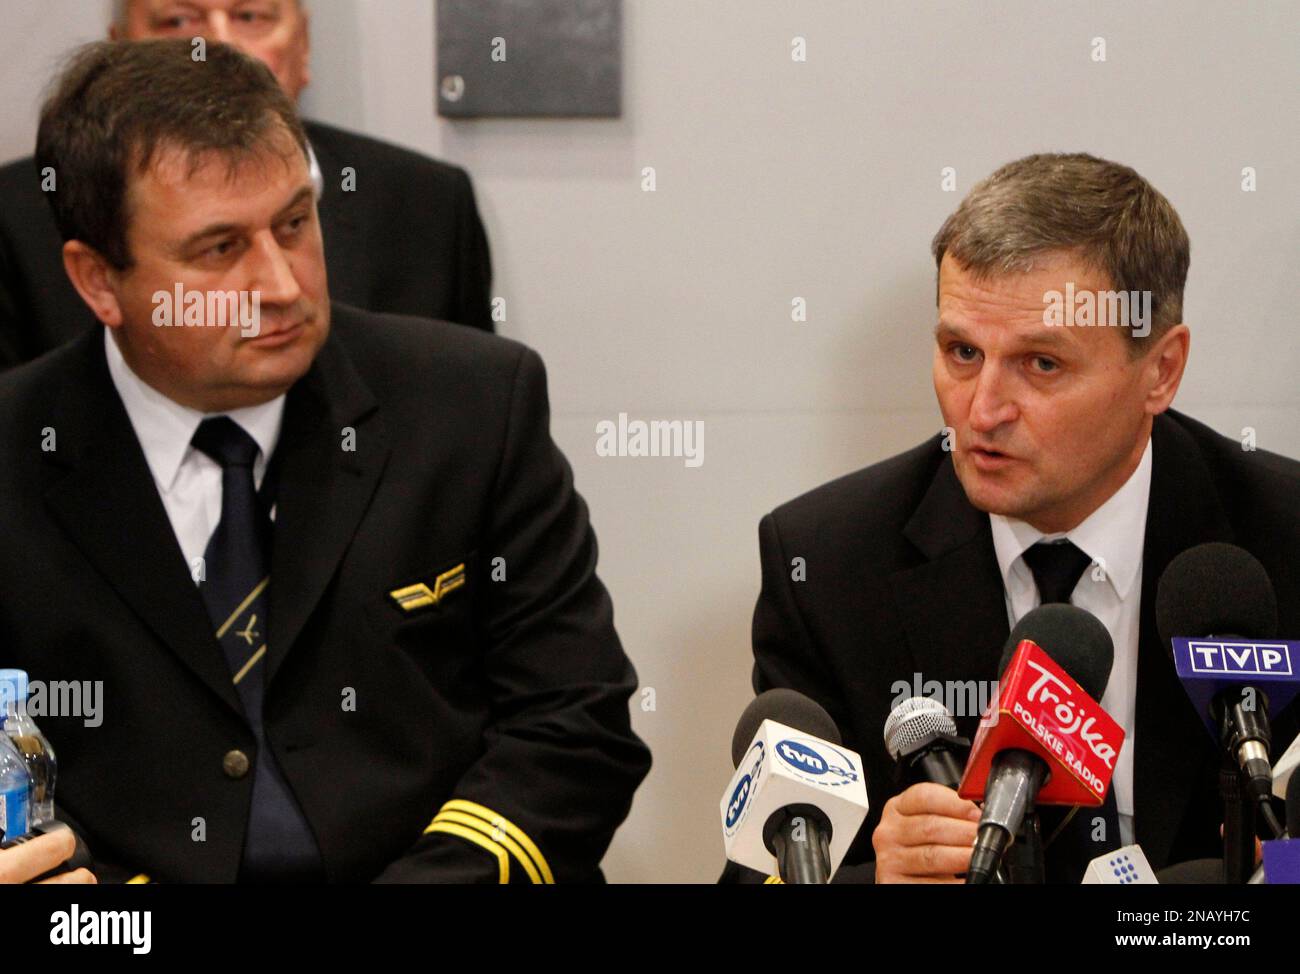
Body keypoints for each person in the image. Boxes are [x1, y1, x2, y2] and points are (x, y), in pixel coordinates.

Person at [0, 38, 648, 883]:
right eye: (219, 249)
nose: (282, 283)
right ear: (97, 281)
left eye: (295, 224)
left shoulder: (472, 404)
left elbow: (574, 725)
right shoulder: (17, 454)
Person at [730, 153, 1300, 883]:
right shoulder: (829, 564)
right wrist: (876, 880)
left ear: (1160, 370)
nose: (982, 411)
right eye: (962, 352)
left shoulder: (1284, 540)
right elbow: (756, 870)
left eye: (1041, 365)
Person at [0, 0, 493, 368]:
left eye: (250, 16)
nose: (216, 48)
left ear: (303, 44)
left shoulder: (426, 205)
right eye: (178, 22)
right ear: (118, 48)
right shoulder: (16, 216)